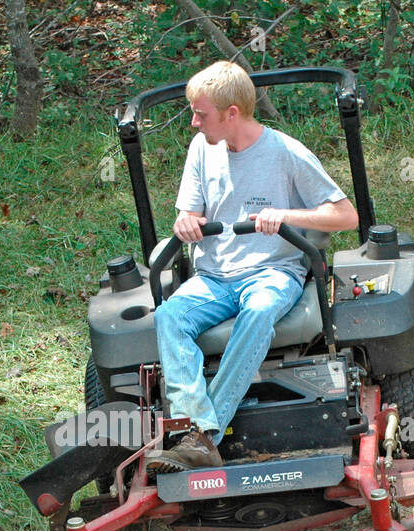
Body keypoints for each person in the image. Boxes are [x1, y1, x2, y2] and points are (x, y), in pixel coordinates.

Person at [146, 61, 359, 473]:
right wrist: (185, 221)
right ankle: (192, 426)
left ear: (231, 114)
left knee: (258, 310)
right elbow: (188, 213)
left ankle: (203, 438)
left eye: (200, 114)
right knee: (170, 315)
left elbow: (344, 215)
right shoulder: (201, 150)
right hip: (213, 277)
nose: (193, 123)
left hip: (271, 272)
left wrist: (287, 215)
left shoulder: (284, 152)